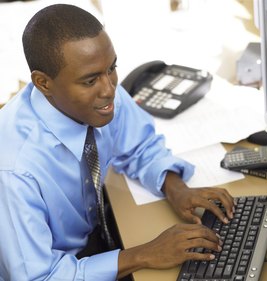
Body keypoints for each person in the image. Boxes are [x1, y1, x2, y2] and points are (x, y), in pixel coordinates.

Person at [0, 4, 236, 281]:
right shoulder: (15, 170)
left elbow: (140, 146)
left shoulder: (100, 96)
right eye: (90, 80)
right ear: (43, 83)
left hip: (97, 234)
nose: (110, 90)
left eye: (111, 68)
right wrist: (145, 253)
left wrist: (175, 188)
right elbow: (40, 277)